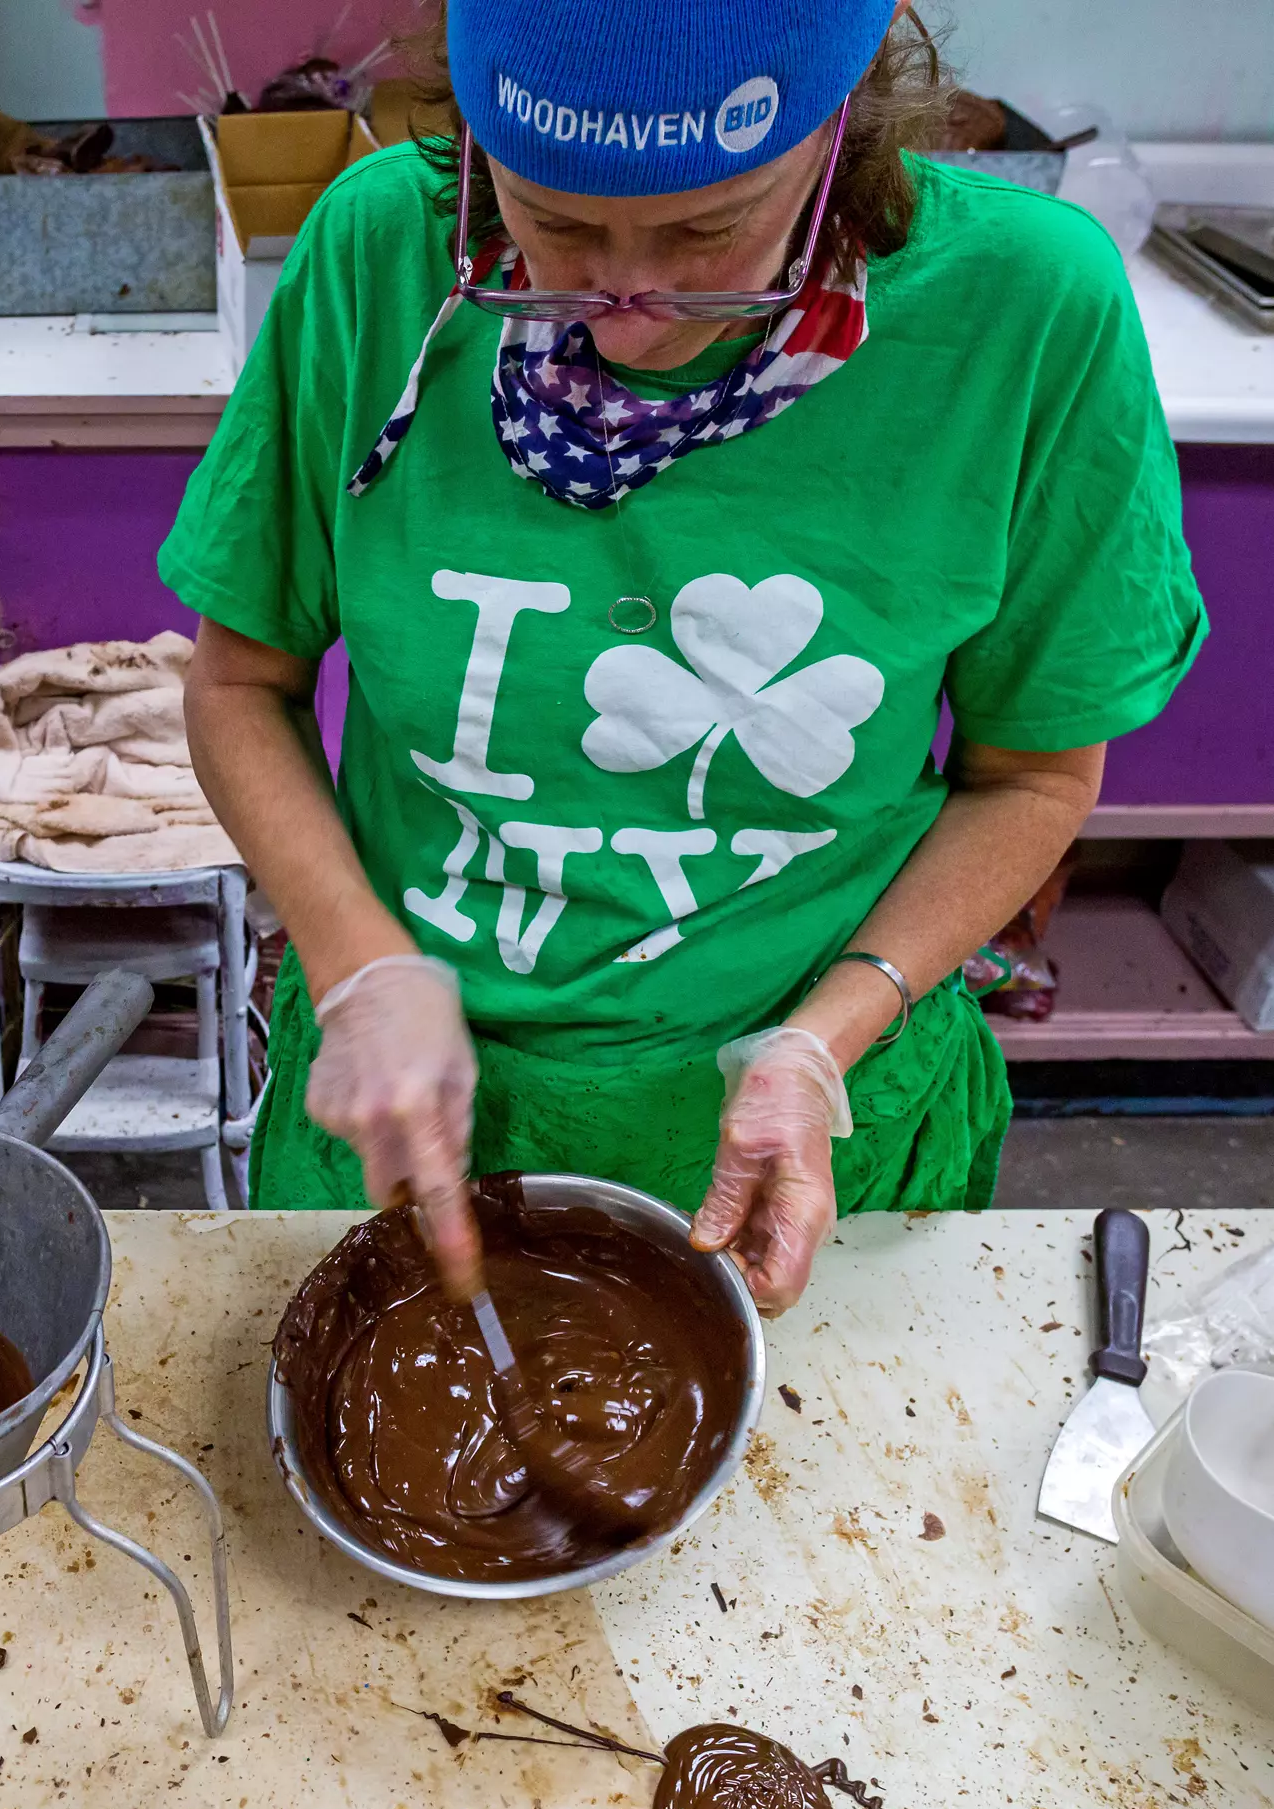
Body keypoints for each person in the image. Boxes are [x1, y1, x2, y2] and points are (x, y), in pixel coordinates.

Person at [160, 0, 1204, 1315]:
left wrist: (822, 1042)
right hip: (409, 1105)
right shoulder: (380, 250)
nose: (625, 315)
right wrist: (358, 965)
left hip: (809, 1116)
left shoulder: (1021, 311)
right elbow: (239, 684)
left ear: (840, 131)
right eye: (551, 225)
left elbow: (1031, 779)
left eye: (709, 232)